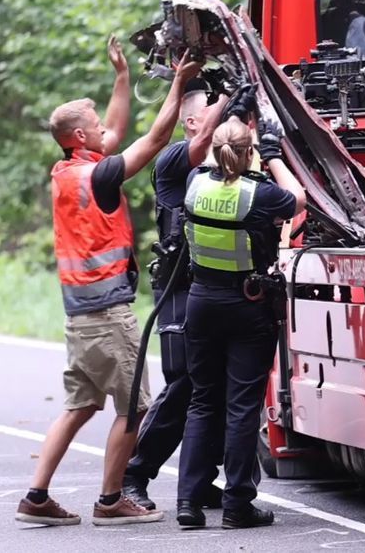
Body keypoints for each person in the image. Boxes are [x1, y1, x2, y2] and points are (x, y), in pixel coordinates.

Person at [15, 37, 190, 526]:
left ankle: (35, 497)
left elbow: (115, 129)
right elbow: (153, 141)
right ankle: (112, 501)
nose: (104, 132)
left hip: (78, 315)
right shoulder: (100, 178)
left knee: (78, 406)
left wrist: (122, 78)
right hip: (109, 315)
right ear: (78, 137)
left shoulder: (68, 170)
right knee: (134, 407)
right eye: (93, 128)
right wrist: (178, 83)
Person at [175, 113, 306, 529]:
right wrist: (274, 155)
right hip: (247, 306)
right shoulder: (260, 195)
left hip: (201, 302)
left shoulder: (194, 184)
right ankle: (236, 505)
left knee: (201, 401)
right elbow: (298, 198)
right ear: (249, 152)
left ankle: (188, 503)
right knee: (242, 405)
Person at [121, 74, 229, 510]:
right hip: (178, 287)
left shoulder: (229, 164)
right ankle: (134, 474)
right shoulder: (171, 161)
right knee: (184, 379)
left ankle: (200, 482)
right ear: (190, 122)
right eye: (213, 111)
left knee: (215, 385)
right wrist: (229, 99)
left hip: (216, 286)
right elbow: (203, 142)